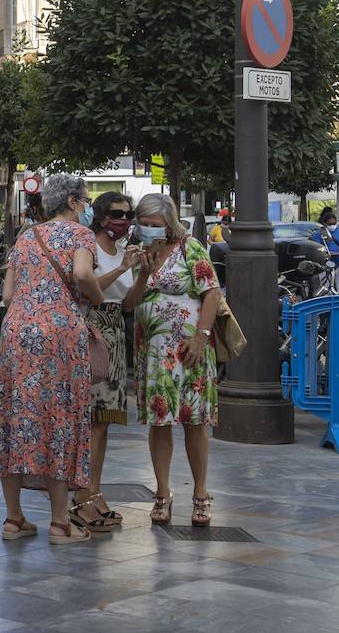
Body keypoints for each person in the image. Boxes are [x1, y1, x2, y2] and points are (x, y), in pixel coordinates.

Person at [0, 173, 102, 545]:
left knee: (16, 418)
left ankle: (13, 519)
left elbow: (8, 295)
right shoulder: (81, 236)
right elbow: (83, 273)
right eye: (85, 200)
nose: (87, 206)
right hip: (59, 334)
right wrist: (96, 297)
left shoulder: (26, 237)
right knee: (61, 418)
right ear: (72, 202)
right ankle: (59, 524)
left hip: (17, 334)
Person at [124, 193, 222, 528]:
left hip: (190, 349)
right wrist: (141, 274)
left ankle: (200, 494)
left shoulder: (189, 248)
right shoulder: (136, 255)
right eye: (144, 224)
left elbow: (212, 291)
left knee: (195, 421)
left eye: (155, 225)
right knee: (159, 421)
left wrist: (201, 335)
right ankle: (163, 493)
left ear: (169, 223)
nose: (148, 230)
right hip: (153, 351)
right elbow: (127, 304)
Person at [71, 190, 137, 534]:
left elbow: (128, 304)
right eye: (116, 213)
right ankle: (82, 496)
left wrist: (140, 272)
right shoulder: (89, 247)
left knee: (104, 420)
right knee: (91, 419)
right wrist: (123, 269)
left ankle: (93, 490)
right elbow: (87, 289)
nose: (123, 220)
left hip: (115, 330)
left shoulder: (125, 251)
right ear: (99, 215)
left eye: (129, 214)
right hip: (92, 328)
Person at [313, 207, 339, 293]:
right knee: (326, 289)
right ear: (324, 224)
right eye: (330, 224)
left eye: (334, 223)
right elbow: (317, 248)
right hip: (325, 265)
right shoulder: (319, 234)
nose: (332, 225)